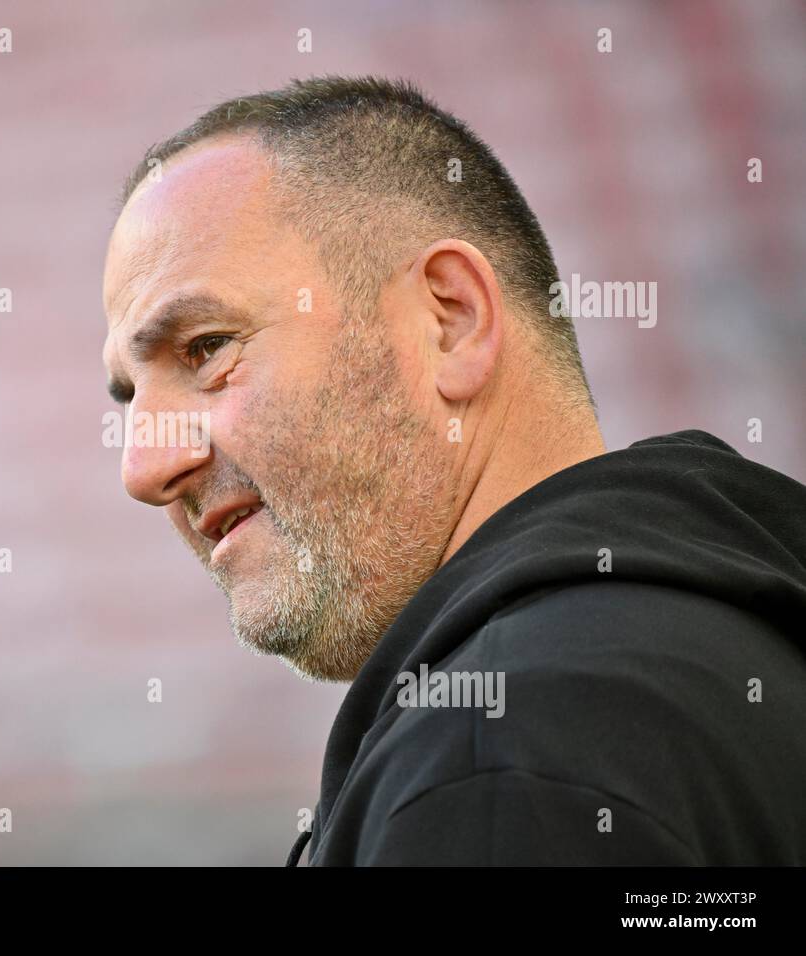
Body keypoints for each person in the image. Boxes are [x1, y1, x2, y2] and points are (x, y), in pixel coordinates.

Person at [99, 76, 806, 865]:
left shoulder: (497, 753)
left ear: (451, 321)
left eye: (206, 349)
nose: (145, 467)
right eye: (129, 396)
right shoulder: (728, 644)